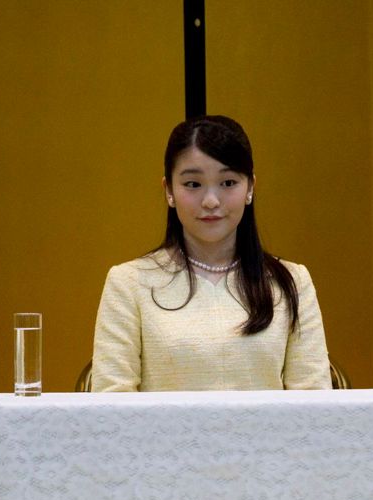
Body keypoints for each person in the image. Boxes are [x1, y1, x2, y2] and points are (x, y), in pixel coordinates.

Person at [91, 115, 331, 392]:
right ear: (168, 190)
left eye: (228, 183)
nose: (211, 201)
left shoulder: (292, 281)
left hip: (266, 437)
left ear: (250, 187)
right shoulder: (128, 283)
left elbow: (313, 402)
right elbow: (112, 404)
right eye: (193, 184)